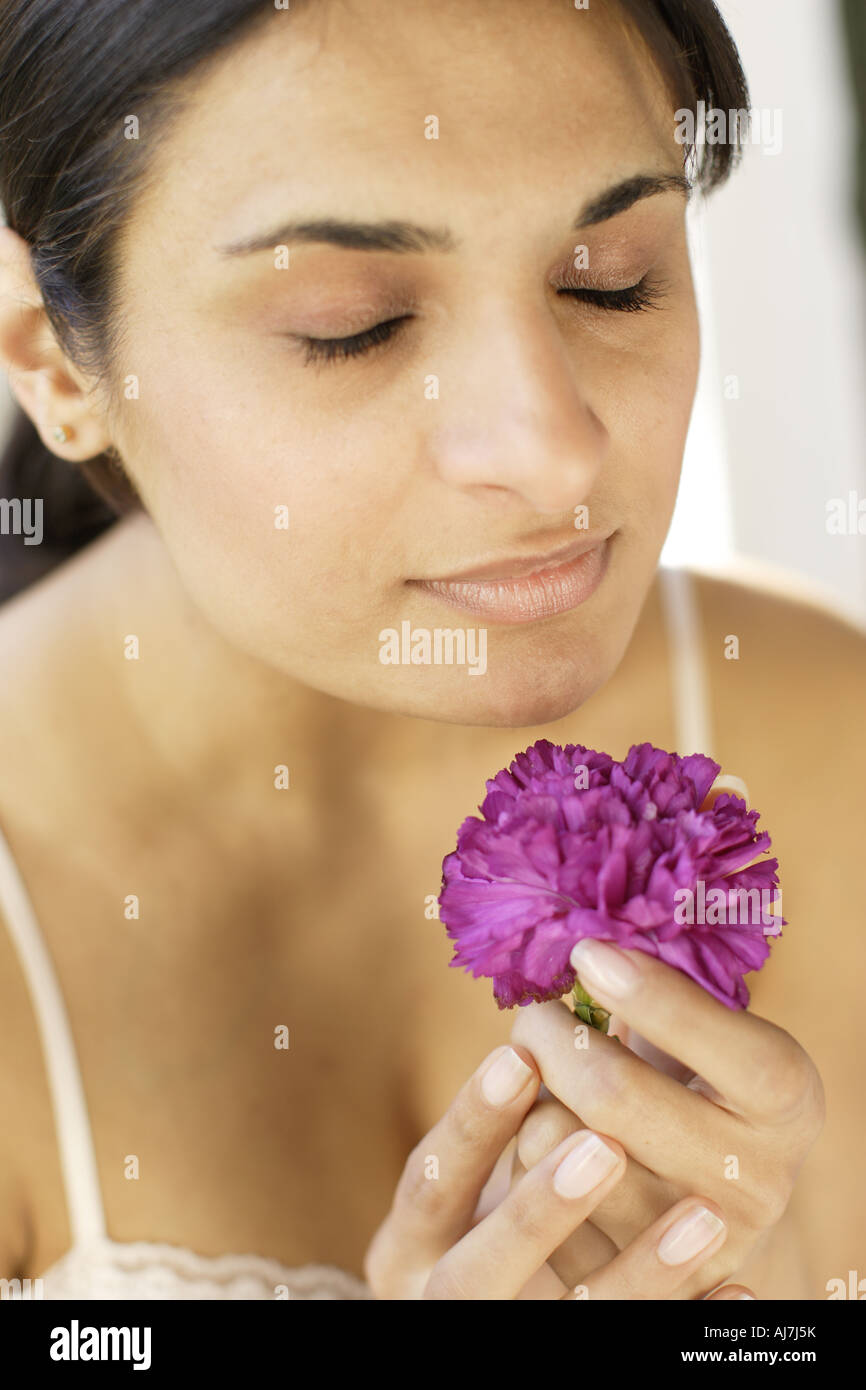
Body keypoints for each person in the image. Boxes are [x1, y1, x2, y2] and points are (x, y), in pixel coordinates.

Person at [0, 0, 860, 1301]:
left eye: (606, 276)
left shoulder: (825, 730)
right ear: (55, 365)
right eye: (352, 324)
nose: (552, 449)